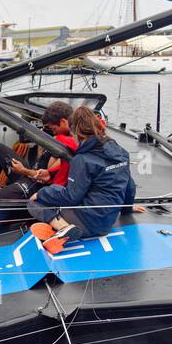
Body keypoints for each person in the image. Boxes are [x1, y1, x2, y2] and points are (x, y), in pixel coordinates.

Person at [28, 105, 144, 252]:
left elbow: (71, 197)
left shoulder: (82, 159)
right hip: (108, 222)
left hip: (87, 224)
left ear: (76, 132)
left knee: (35, 201)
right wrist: (128, 208)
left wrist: (42, 193)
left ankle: (64, 228)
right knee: (55, 191)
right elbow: (129, 185)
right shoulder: (121, 152)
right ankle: (64, 228)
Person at [0, 101, 77, 199]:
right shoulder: (57, 140)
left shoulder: (67, 145)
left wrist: (23, 170)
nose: (54, 132)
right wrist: (41, 147)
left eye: (54, 128)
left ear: (63, 122)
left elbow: (47, 177)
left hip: (36, 184)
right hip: (31, 174)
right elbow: (40, 163)